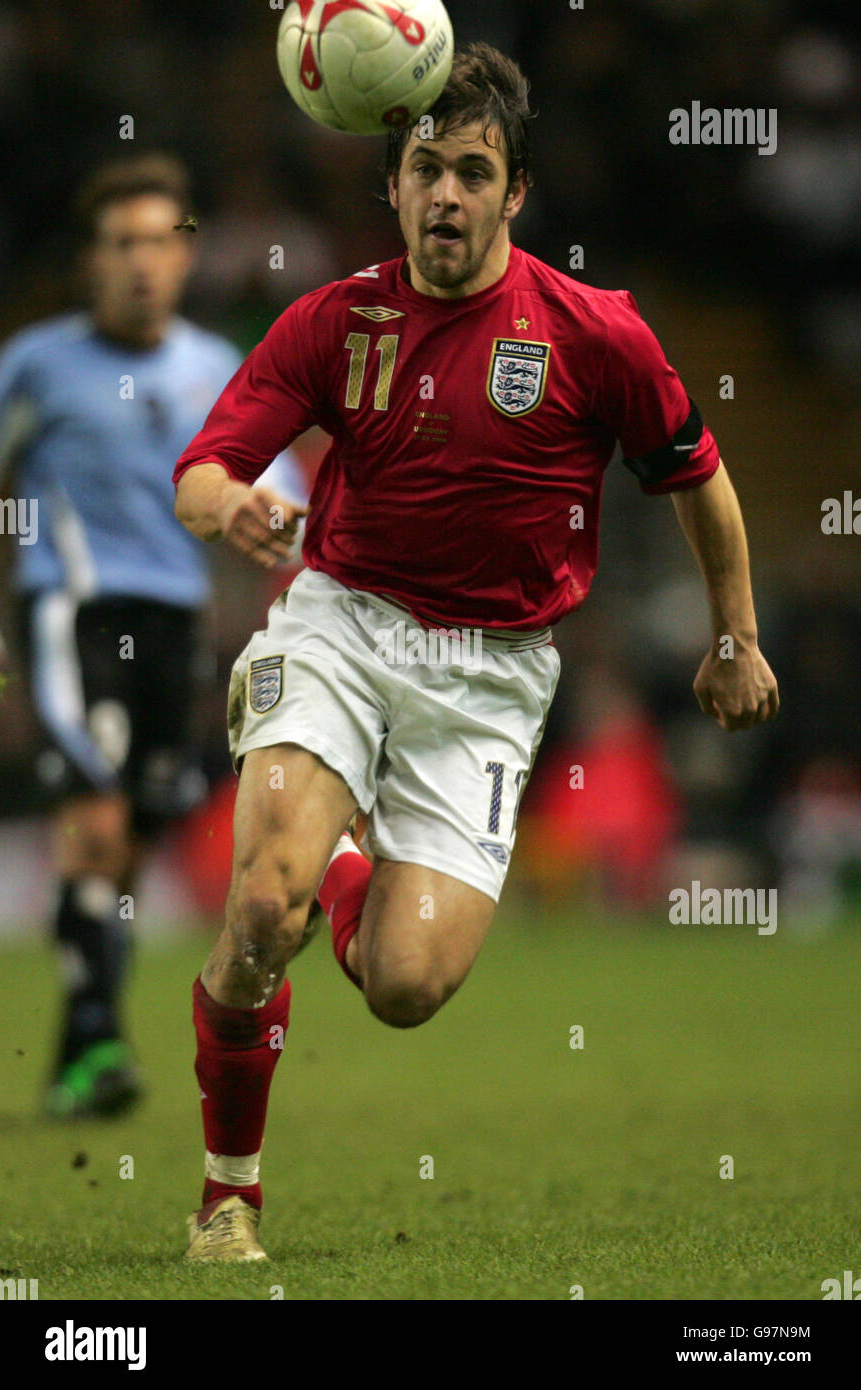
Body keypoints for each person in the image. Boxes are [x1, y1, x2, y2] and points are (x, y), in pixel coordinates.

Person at [173, 43, 779, 1262]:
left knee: (401, 985)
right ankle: (227, 1199)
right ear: (390, 187)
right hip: (341, 620)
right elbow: (200, 470)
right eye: (421, 170)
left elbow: (699, 482)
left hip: (491, 675)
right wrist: (229, 506)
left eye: (470, 171)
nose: (443, 193)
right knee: (255, 913)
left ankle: (332, 869)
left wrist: (735, 637)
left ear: (514, 193)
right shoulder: (334, 321)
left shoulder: (593, 332)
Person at [0, 152, 304, 1119]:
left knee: (132, 845)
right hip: (69, 612)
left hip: (178, 632)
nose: (140, 263)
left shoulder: (217, 369)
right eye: (120, 242)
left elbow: (280, 500)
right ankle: (97, 1046)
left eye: (160, 243)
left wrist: (270, 520)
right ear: (90, 258)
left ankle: (77, 1046)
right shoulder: (35, 367)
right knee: (94, 819)